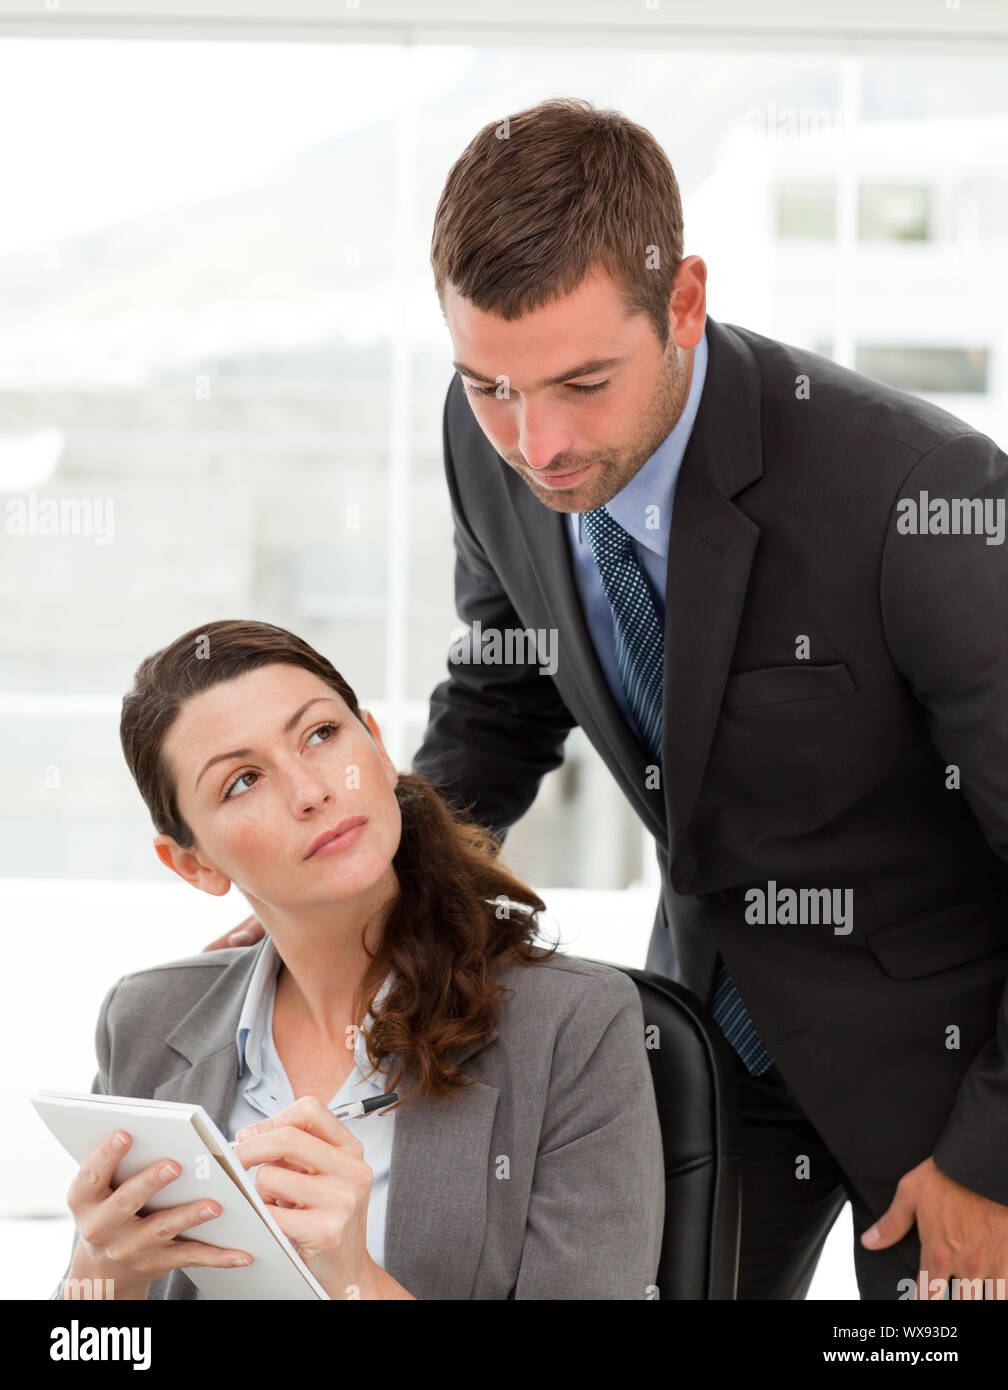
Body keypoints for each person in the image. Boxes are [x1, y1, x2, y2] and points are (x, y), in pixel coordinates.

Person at [212, 97, 1008, 1301]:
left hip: (950, 1066)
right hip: (708, 1033)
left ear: (682, 303)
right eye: (492, 387)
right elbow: (504, 689)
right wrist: (360, 877)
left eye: (583, 381)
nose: (538, 444)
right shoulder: (486, 437)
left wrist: (992, 1160)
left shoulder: (921, 495)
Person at [51, 619, 665, 1301]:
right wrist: (101, 1281)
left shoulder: (572, 1025)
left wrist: (355, 1282)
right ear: (192, 864)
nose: (311, 790)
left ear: (374, 743)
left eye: (320, 735)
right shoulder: (144, 1020)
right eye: (244, 780)